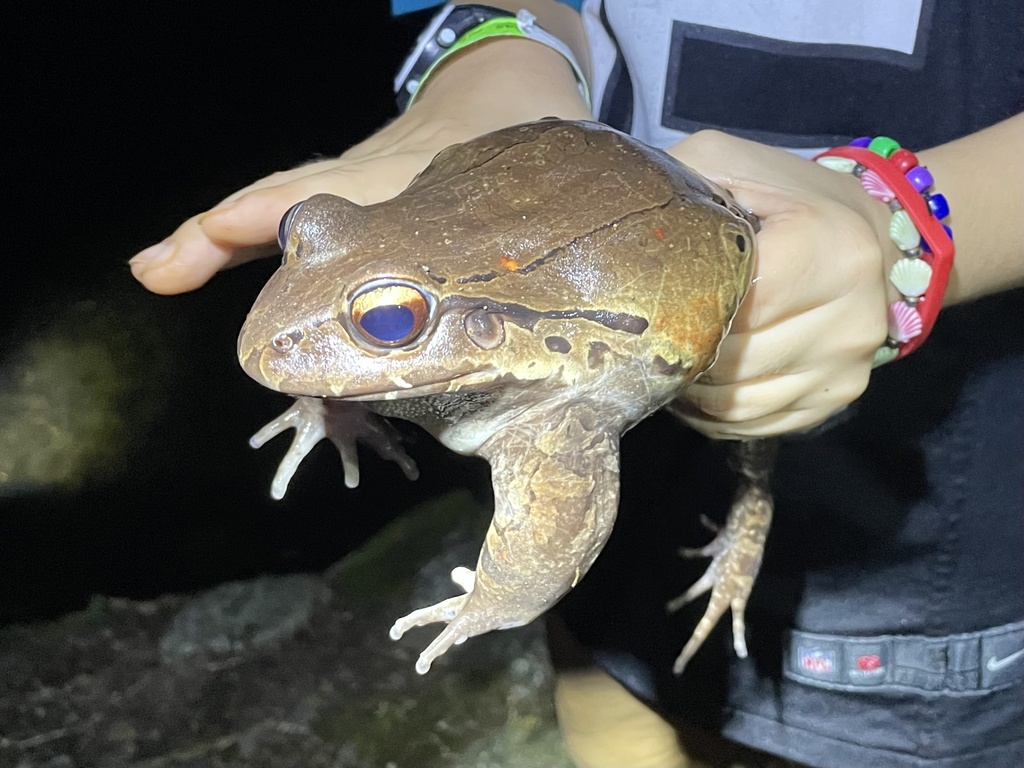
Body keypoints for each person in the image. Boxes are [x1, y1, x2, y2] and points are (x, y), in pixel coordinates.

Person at [131, 2, 1024, 766]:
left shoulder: (554, 422)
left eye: (389, 318)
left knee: (754, 449)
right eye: (306, 234)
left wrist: (913, 217)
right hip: (615, 591)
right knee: (609, 714)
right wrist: (501, 50)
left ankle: (742, 541)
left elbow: (537, 558)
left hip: (933, 595)